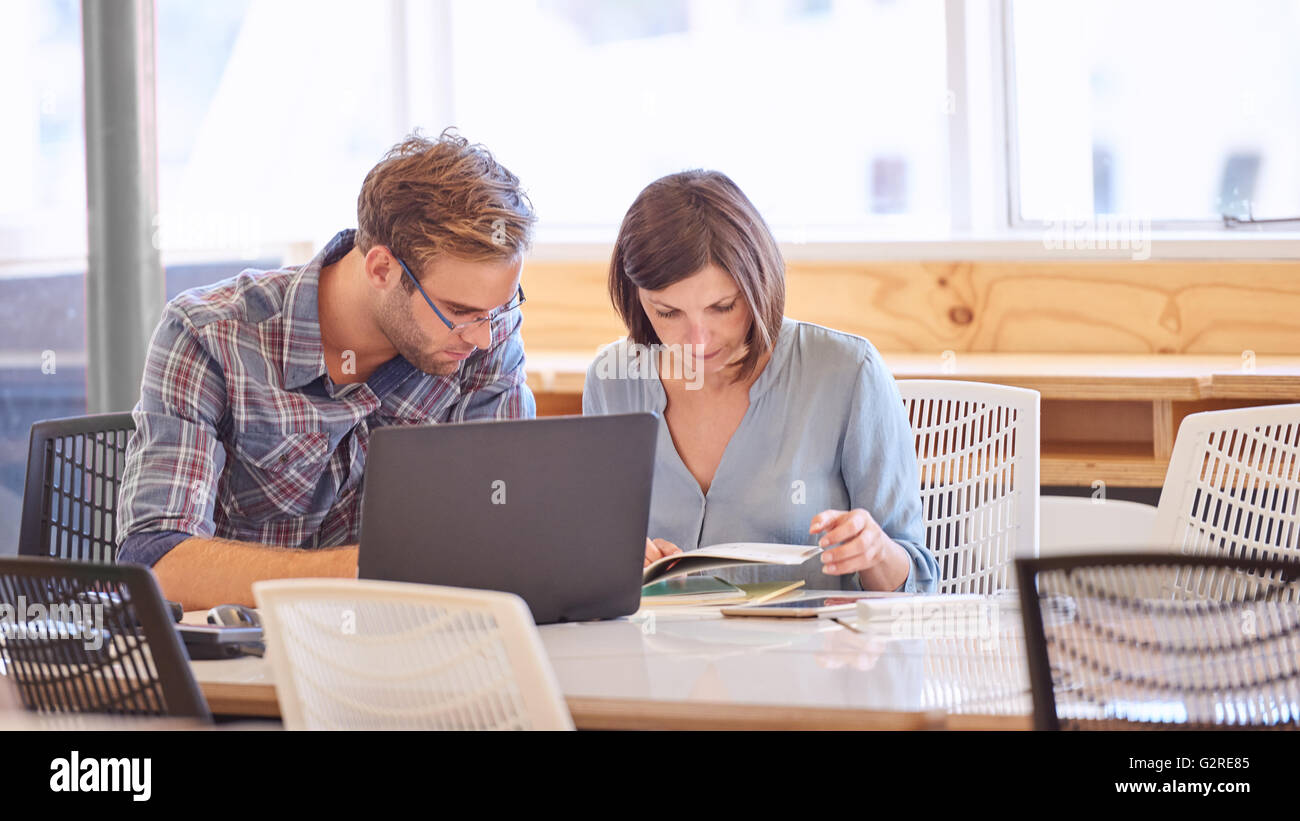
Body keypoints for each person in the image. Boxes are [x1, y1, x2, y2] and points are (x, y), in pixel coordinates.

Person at [117, 130, 536, 609]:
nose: (482, 337)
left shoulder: (487, 334)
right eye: (459, 310)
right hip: (242, 667)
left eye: (499, 310)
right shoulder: (211, 335)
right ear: (381, 269)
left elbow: (501, 536)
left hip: (413, 656)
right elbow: (156, 563)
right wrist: (369, 573)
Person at [583, 170, 938, 592]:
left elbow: (918, 585)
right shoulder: (612, 382)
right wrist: (621, 559)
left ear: (757, 283)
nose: (697, 341)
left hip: (811, 654)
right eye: (667, 313)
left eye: (722, 307)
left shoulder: (847, 373)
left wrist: (874, 551)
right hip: (657, 651)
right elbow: (594, 565)